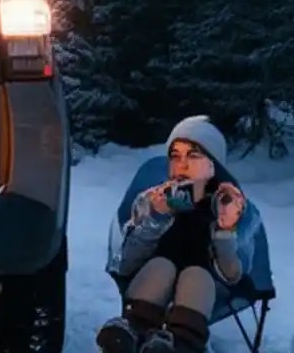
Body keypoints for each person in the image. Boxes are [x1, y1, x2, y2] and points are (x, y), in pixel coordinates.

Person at [97, 115, 256, 353]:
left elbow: (232, 275)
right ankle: (132, 329)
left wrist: (225, 230)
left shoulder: (227, 204)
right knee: (162, 266)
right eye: (175, 156)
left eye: (193, 156)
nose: (182, 164)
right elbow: (126, 264)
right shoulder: (152, 199)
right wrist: (156, 217)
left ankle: (181, 344)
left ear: (214, 165)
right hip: (150, 281)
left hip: (204, 288)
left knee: (196, 275)